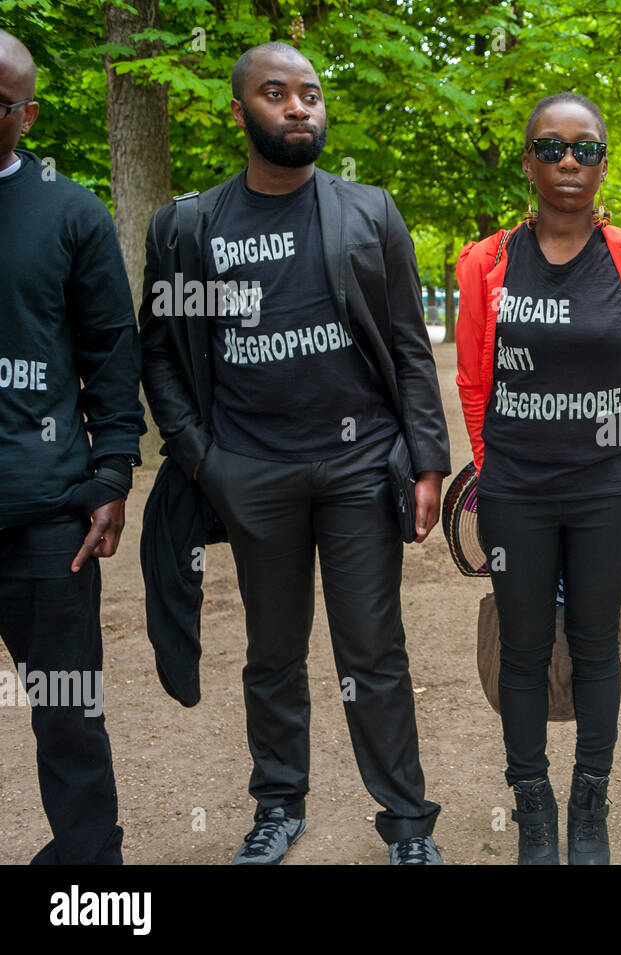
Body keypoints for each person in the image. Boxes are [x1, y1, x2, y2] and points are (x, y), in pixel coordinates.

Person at [138, 42, 451, 865]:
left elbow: (409, 346)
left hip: (357, 468)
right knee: (273, 649)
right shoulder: (188, 227)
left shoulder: (367, 212)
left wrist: (428, 460)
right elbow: (162, 354)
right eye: (276, 95)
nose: (298, 107)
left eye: (309, 93)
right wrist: (205, 460)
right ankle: (278, 806)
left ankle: (408, 824)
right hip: (251, 472)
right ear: (240, 113)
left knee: (373, 650)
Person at [456, 92, 621, 865]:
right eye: (551, 148)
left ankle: (590, 800)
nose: (568, 161)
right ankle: (533, 802)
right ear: (528, 163)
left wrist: (617, 445)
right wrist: (493, 466)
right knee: (522, 647)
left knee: (597, 646)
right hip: (514, 487)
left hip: (606, 487)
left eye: (584, 148)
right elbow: (475, 380)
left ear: (605, 163)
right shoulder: (485, 262)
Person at [0, 28, 145, 866]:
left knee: (66, 711)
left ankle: (88, 878)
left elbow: (110, 353)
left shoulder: (71, 211)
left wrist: (110, 475)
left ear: (28, 115)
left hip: (48, 515)